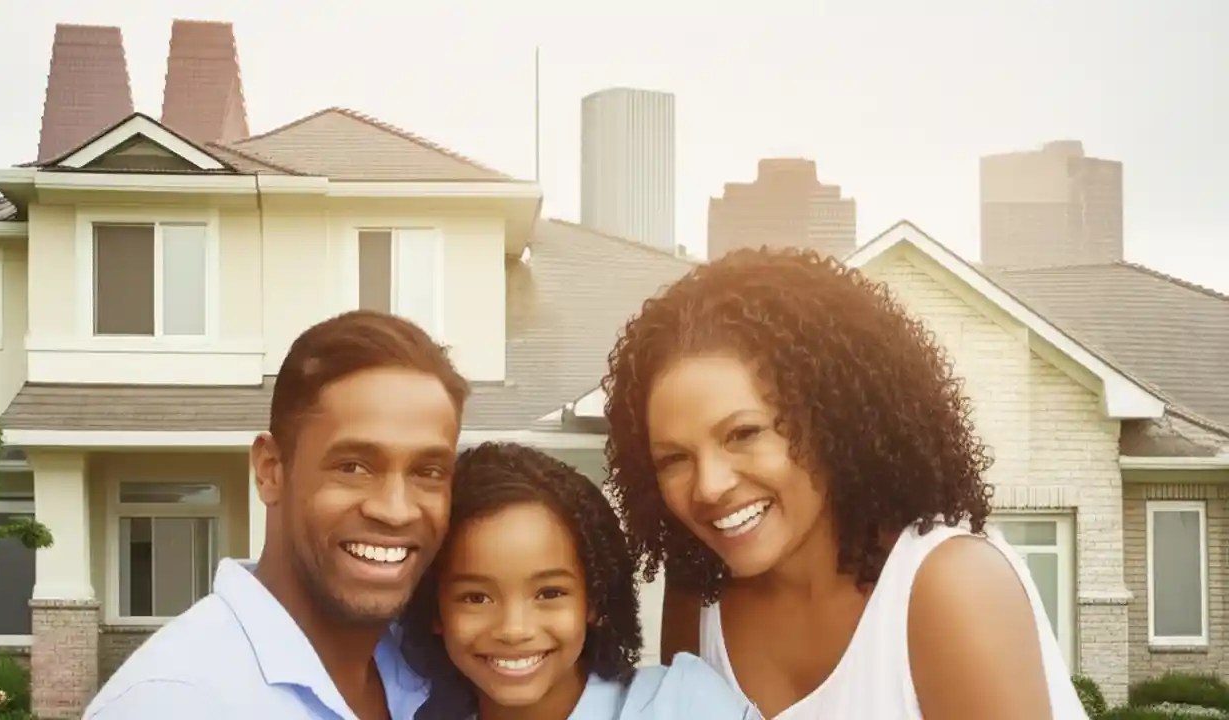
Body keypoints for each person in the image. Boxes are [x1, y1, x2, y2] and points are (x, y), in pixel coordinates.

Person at [599, 248, 1088, 719]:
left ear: (834, 421)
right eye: (673, 459)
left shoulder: (950, 587)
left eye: (744, 433)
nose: (708, 486)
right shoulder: (699, 597)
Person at [85, 310, 470, 719]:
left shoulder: (436, 673)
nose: (395, 510)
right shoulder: (175, 704)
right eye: (353, 467)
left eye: (428, 472)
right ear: (270, 470)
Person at [399, 442, 757, 720]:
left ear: (594, 600)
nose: (514, 630)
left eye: (549, 593)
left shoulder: (682, 705)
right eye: (476, 598)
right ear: (435, 609)